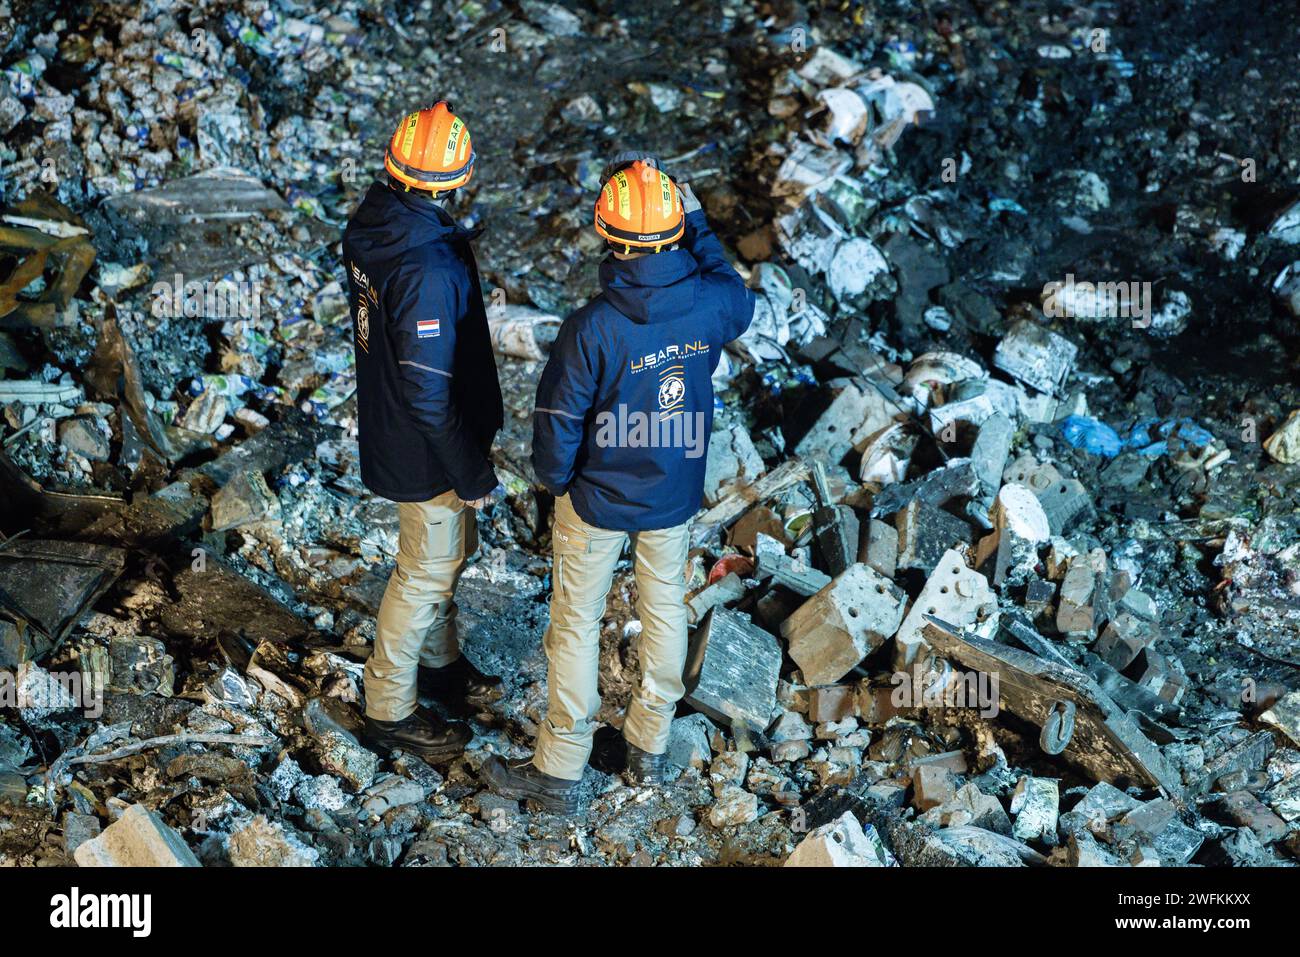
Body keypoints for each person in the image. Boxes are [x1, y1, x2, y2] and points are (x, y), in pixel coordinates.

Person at [482, 156, 755, 812]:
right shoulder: (712, 303)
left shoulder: (594, 326)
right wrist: (696, 221)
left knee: (576, 621)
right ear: (670, 233)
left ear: (612, 238)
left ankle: (558, 767)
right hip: (673, 491)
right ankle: (647, 750)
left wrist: (557, 482)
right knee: (663, 609)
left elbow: (557, 420)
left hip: (598, 497)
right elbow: (734, 289)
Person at [342, 101, 504, 762]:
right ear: (453, 180)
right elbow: (428, 388)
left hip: (393, 425)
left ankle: (440, 665)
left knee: (447, 558)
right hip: (426, 448)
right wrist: (470, 471)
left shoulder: (378, 221)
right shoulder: (427, 269)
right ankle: (388, 707)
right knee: (423, 572)